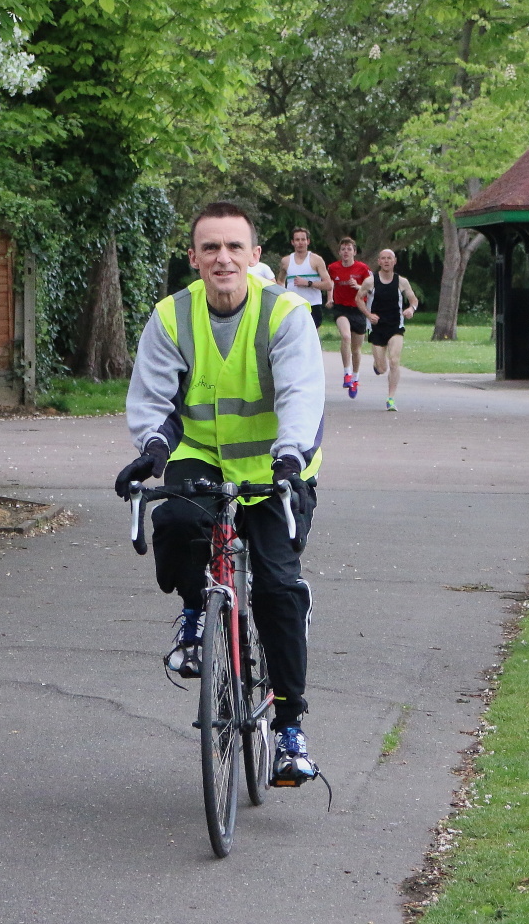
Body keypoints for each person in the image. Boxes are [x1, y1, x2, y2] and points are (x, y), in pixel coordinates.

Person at [115, 201, 324, 786]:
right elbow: (155, 398)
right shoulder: (171, 316)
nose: (223, 258)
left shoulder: (285, 315)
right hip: (198, 459)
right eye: (210, 248)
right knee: (177, 525)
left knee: (278, 588)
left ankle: (289, 732)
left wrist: (289, 457)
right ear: (194, 258)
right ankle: (193, 612)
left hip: (275, 470)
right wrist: (153, 450)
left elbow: (301, 397)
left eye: (234, 247)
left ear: (256, 256)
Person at [356, 249, 418, 412]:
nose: (386, 261)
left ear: (394, 261)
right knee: (382, 368)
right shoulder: (370, 281)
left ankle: (391, 398)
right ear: (379, 262)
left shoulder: (401, 282)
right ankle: (378, 365)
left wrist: (411, 309)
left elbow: (413, 300)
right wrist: (368, 315)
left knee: (395, 361)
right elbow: (358, 299)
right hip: (377, 327)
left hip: (395, 326)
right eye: (383, 258)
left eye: (389, 258)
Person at [325, 237, 372, 397]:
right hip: (341, 309)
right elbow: (330, 285)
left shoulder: (362, 268)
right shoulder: (333, 267)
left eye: (349, 249)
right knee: (346, 336)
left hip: (358, 309)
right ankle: (347, 373)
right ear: (339, 252)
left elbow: (370, 288)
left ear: (354, 252)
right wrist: (330, 299)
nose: (346, 252)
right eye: (343, 249)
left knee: (356, 349)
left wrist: (358, 287)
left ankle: (356, 379)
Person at [277, 226, 332, 329]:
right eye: (297, 240)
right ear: (292, 242)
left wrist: (308, 283)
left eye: (303, 239)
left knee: (310, 340)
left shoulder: (316, 260)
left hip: (312, 305)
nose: (300, 243)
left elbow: (328, 285)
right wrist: (284, 296)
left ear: (308, 241)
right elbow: (280, 281)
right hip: (293, 306)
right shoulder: (286, 261)